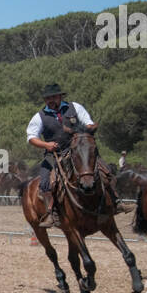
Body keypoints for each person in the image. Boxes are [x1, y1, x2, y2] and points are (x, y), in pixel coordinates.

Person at [26, 84, 96, 227]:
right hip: (55, 154)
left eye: (53, 97)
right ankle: (50, 214)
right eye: (47, 98)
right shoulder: (39, 116)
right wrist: (46, 145)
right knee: (45, 181)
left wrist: (81, 131)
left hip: (79, 152)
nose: (50, 100)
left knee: (104, 169)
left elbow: (89, 123)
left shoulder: (75, 107)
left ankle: (115, 202)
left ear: (60, 96)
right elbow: (31, 137)